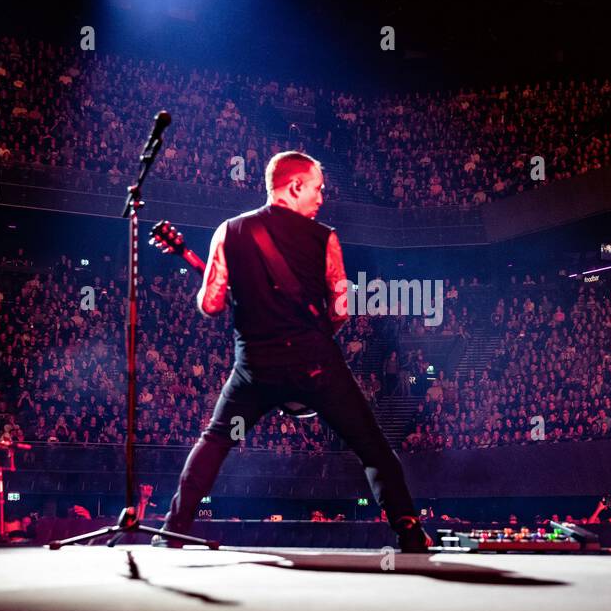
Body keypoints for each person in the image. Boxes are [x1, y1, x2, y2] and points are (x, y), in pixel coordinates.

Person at [158, 151, 429, 552]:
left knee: (215, 441)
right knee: (372, 447)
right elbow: (340, 310)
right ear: (295, 186)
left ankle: (173, 529)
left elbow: (212, 304)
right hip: (316, 364)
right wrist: (313, 336)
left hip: (255, 368)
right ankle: (409, 533)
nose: (322, 197)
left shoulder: (228, 231)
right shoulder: (325, 237)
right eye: (318, 188)